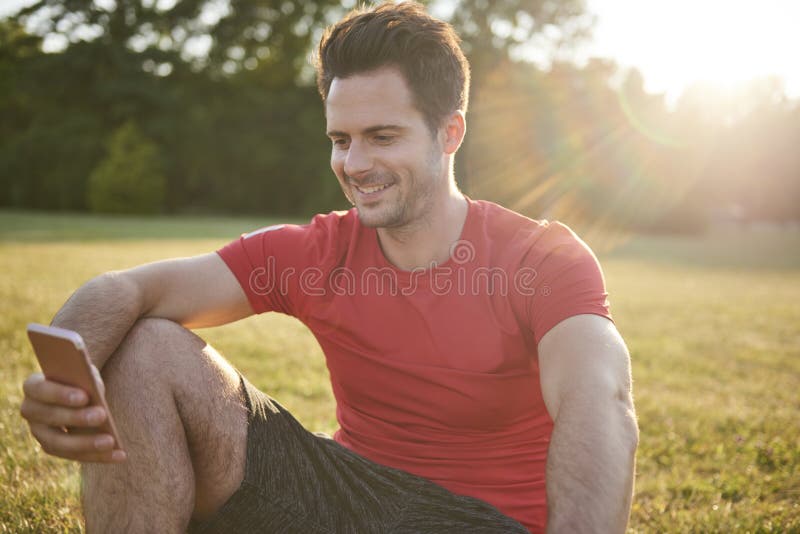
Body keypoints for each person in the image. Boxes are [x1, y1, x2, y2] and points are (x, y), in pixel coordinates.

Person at [19, 2, 638, 532]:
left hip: (478, 520)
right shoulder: (317, 252)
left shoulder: (541, 259)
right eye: (341, 140)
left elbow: (600, 398)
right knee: (145, 345)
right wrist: (64, 383)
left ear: (449, 133)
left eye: (383, 136)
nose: (355, 163)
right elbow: (129, 289)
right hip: (345, 499)